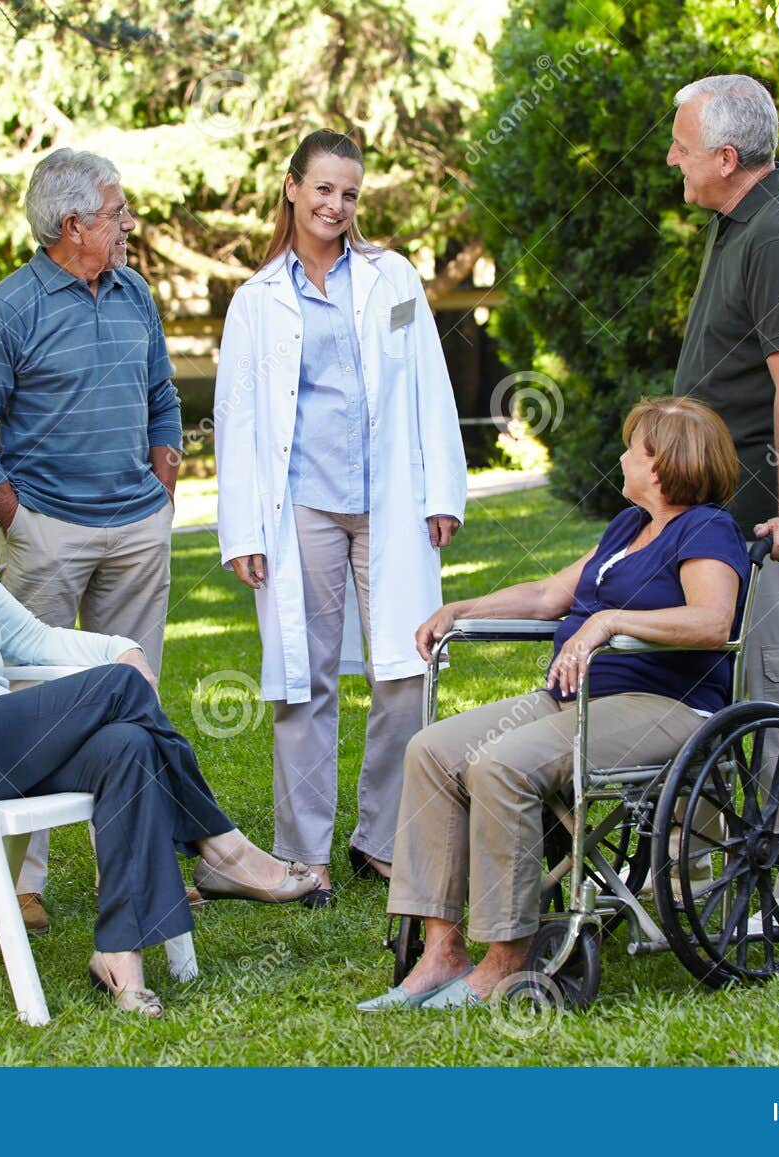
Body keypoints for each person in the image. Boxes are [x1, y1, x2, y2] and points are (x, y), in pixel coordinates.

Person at [0, 405, 318, 1018]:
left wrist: (118, 648)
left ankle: (120, 961)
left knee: (127, 749)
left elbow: (32, 639)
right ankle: (226, 852)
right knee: (121, 692)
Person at [358, 398, 751, 1010]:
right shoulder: (627, 528)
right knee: (432, 750)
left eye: (633, 447)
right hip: (579, 700)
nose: (622, 456)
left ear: (665, 463)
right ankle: (442, 953)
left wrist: (606, 625)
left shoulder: (706, 529)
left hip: (665, 705)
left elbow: (710, 620)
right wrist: (462, 609)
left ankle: (507, 961)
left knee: (502, 764)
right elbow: (548, 596)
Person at [213, 129, 468, 907]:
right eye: (323, 189)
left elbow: (429, 379)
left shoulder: (391, 279)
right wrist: (243, 531)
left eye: (350, 193)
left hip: (388, 501)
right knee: (303, 677)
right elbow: (237, 419)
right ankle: (304, 852)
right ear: (292, 188)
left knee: (406, 666)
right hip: (301, 509)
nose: (336, 205)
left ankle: (382, 836)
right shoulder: (257, 301)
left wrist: (440, 493)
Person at [0, 148, 183, 930]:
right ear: (73, 224)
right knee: (35, 704)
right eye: (118, 214)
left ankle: (142, 864)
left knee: (136, 696)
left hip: (136, 529)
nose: (128, 226)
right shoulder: (7, 309)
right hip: (47, 533)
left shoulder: (135, 292)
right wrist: (20, 521)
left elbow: (161, 396)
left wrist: (161, 487)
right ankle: (20, 882)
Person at [666, 74, 779, 927]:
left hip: (773, 519)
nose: (673, 159)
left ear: (727, 158)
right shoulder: (738, 219)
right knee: (721, 695)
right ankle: (716, 879)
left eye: (683, 146)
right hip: (721, 513)